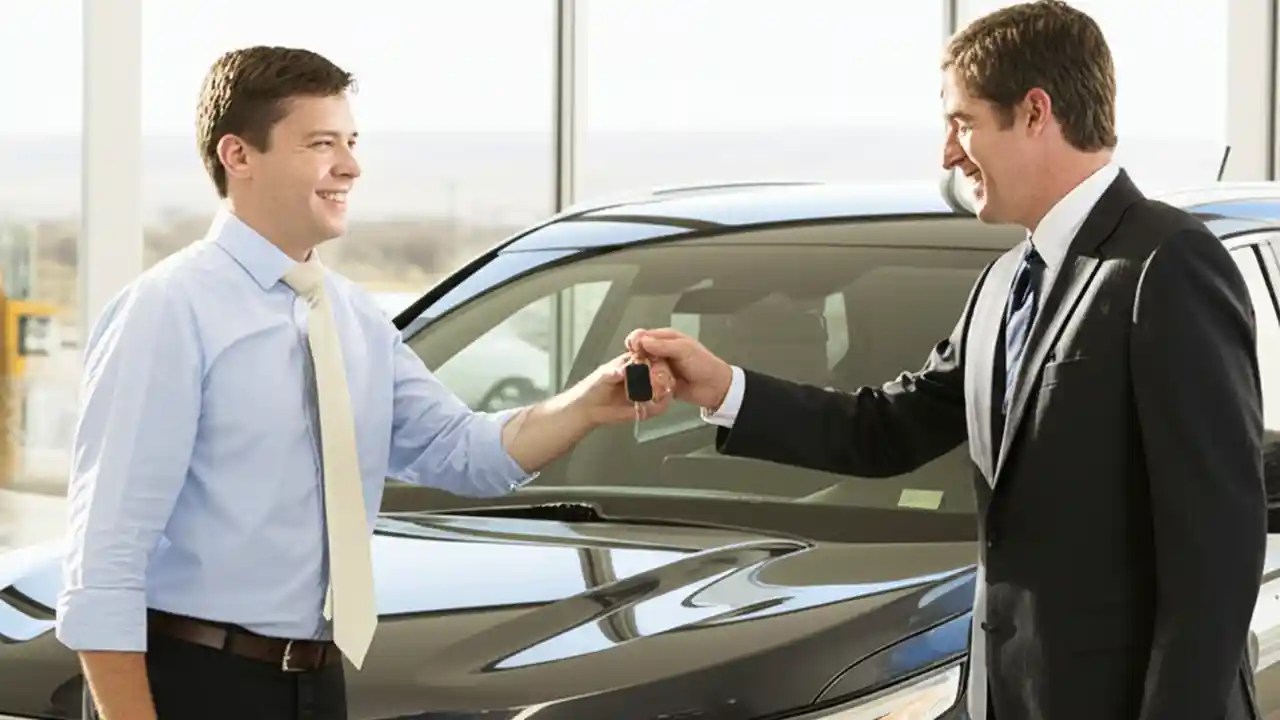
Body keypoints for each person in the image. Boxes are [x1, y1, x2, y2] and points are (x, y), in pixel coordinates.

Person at [626, 2, 1266, 719]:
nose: (948, 153)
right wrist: (725, 388)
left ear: (1034, 113)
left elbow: (1216, 548)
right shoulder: (1002, 285)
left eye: (962, 123)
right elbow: (889, 430)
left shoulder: (1167, 263)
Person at [56, 46, 672, 720]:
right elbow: (105, 555)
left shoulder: (350, 316)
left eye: (350, 142)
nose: (349, 165)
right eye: (321, 143)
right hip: (193, 684)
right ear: (239, 156)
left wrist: (585, 404)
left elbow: (469, 454)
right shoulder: (169, 311)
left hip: (318, 683)